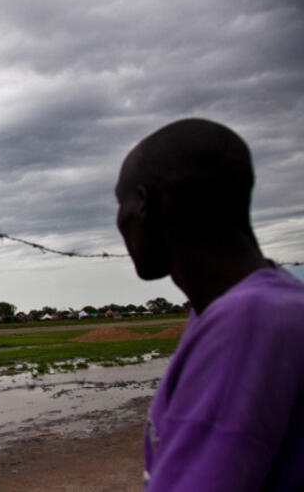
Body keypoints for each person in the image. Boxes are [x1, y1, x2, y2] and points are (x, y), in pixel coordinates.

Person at [114, 118, 304, 491]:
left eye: (121, 203)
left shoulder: (249, 323)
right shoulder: (236, 307)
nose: (118, 221)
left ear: (147, 204)